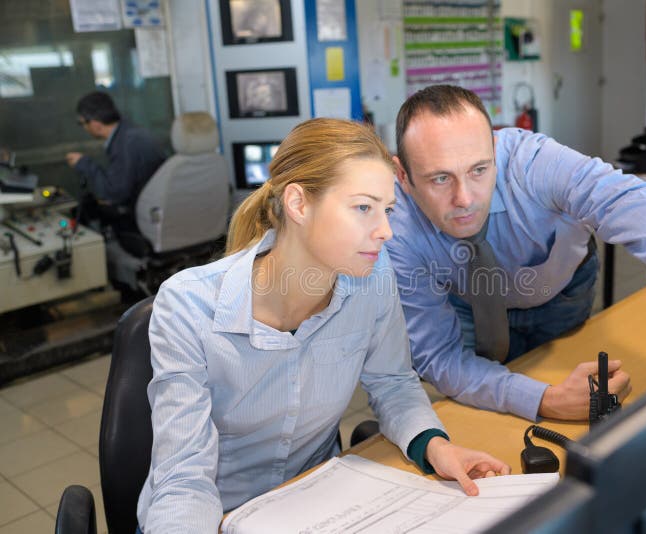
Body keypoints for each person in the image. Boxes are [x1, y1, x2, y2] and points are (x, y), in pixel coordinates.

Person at [135, 118, 510, 533]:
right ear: (298, 204)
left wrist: (434, 446)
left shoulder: (372, 274)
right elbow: (184, 478)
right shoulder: (188, 304)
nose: (385, 231)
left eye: (387, 210)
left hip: (314, 507)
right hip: (215, 516)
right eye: (363, 208)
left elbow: (393, 381)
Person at [385, 84, 646, 422]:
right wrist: (546, 401)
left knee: (570, 373)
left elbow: (627, 200)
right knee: (490, 414)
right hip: (466, 306)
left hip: (560, 293)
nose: (464, 198)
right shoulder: (395, 228)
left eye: (479, 170)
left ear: (495, 147)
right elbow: (440, 358)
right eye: (440, 178)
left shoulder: (530, 161)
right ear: (403, 176)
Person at [66, 91, 165, 230]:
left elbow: (113, 194)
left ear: (95, 124)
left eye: (83, 123)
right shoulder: (130, 131)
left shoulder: (125, 144)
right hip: (156, 206)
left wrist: (85, 164)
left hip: (142, 217)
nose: (84, 128)